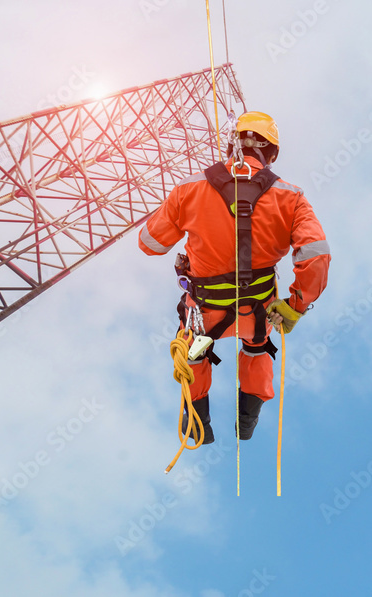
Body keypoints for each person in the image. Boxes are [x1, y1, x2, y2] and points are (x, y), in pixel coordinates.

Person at [138, 112, 330, 443]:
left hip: (204, 311)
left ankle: (196, 423)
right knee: (257, 348)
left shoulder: (189, 188)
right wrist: (296, 305)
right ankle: (248, 420)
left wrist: (188, 218)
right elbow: (316, 255)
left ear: (231, 145)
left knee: (193, 351)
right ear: (270, 154)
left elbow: (149, 244)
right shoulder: (291, 196)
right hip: (256, 312)